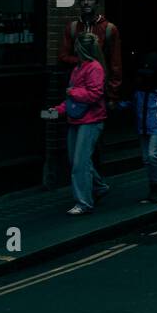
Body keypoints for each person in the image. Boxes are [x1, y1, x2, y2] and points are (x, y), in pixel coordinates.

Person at [42, 33, 110, 215]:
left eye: (75, 46)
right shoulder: (77, 69)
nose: (73, 49)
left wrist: (74, 92)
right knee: (76, 161)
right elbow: (71, 101)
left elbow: (95, 94)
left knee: (80, 163)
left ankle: (84, 203)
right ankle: (100, 187)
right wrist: (55, 111)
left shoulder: (95, 68)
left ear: (81, 49)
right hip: (76, 119)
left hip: (92, 121)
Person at [125, 53, 157, 204]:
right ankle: (154, 186)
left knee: (153, 156)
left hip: (156, 125)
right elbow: (134, 102)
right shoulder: (139, 85)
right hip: (143, 125)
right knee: (147, 159)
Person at [58, 0, 123, 103]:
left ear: (97, 3)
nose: (86, 2)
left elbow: (115, 64)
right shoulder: (72, 28)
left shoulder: (109, 29)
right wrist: (83, 61)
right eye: (82, 0)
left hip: (101, 86)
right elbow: (63, 56)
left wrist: (113, 95)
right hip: (78, 87)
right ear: (79, 3)